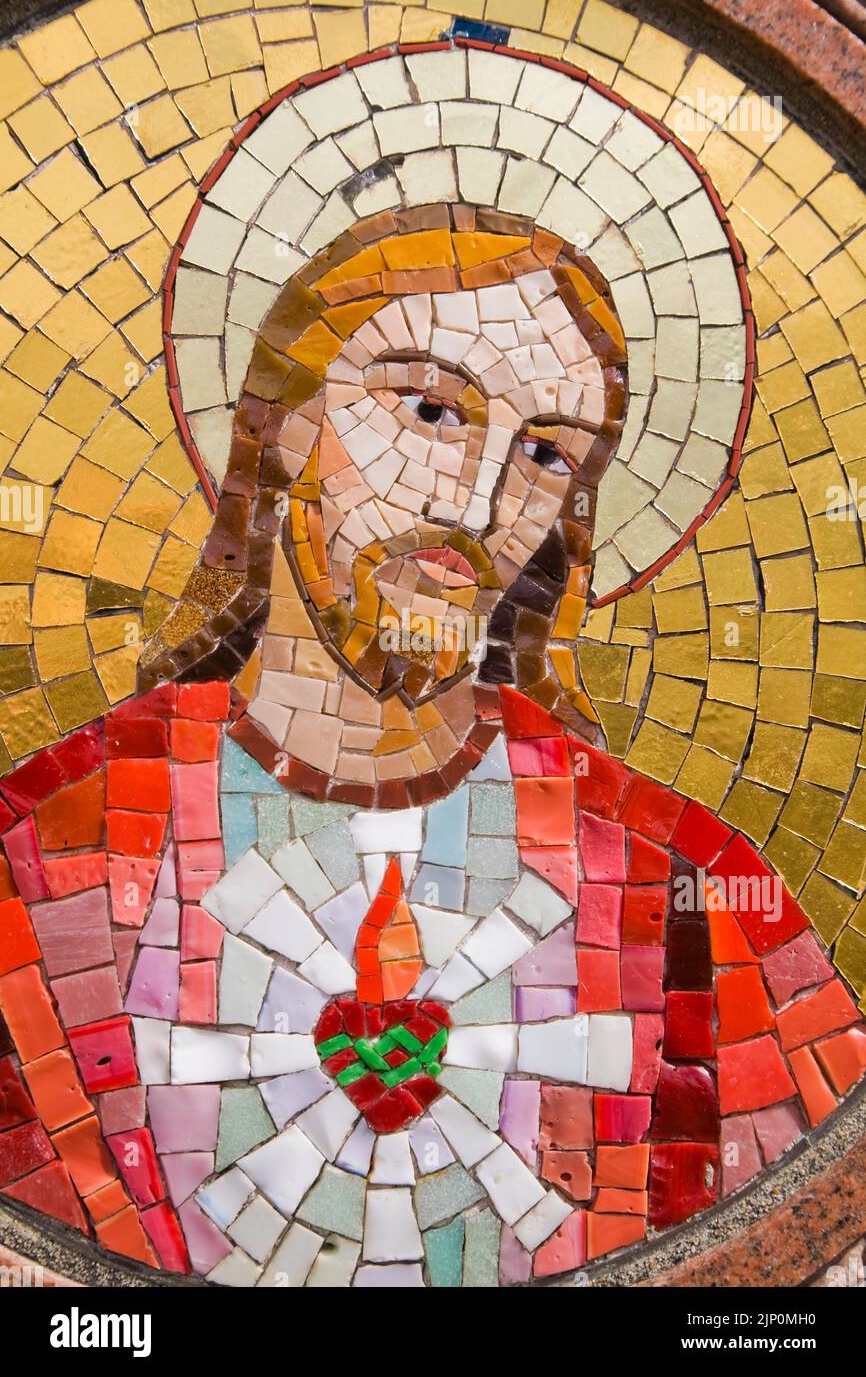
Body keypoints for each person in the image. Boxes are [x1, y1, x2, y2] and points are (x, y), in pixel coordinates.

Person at [1, 205, 863, 1288]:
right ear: (282, 420)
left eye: (545, 452)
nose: (478, 500)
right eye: (428, 408)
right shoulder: (40, 862)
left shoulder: (677, 883)